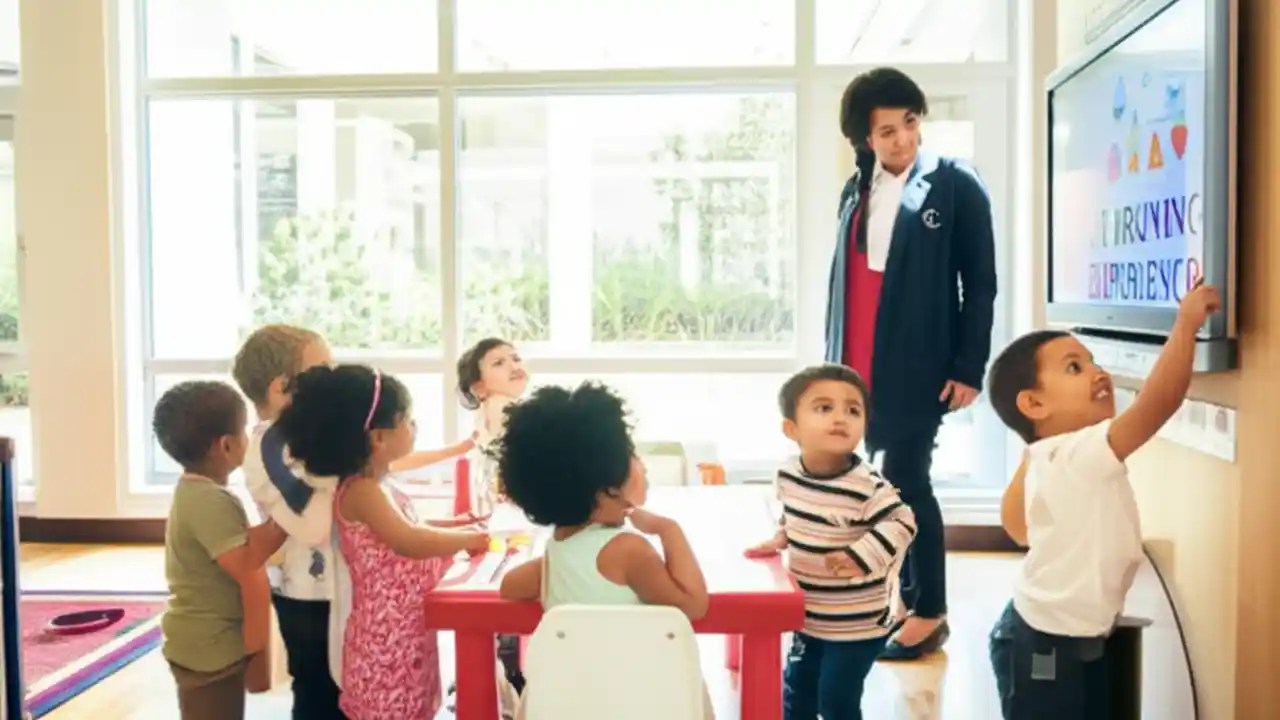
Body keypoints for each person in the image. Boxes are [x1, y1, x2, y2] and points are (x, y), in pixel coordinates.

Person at [824, 67, 998, 659]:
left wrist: (969, 366)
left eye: (910, 123)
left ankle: (931, 612)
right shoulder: (856, 192)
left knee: (907, 481)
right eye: (887, 130)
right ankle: (904, 599)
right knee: (876, 487)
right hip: (856, 363)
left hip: (919, 363)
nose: (902, 139)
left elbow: (980, 285)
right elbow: (848, 283)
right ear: (865, 138)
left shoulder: (955, 185)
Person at [985, 282, 1220, 719]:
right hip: (1046, 642)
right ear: (1034, 403)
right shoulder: (1078, 452)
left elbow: (1017, 527)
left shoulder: (1048, 454)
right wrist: (1185, 325)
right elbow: (1157, 405)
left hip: (1041, 631)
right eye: (1075, 367)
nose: (1099, 374)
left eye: (1092, 361)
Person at [276, 364, 489, 720]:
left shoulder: (379, 486)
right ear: (378, 438)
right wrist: (467, 539)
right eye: (407, 420)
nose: (415, 427)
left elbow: (407, 527)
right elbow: (409, 539)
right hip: (386, 643)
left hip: (405, 632)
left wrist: (459, 524)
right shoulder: (363, 491)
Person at [495, 383, 713, 717]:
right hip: (646, 704)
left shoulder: (557, 553)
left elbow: (509, 586)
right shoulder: (628, 551)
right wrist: (669, 531)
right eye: (631, 455)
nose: (641, 463)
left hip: (572, 707)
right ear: (606, 488)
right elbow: (694, 605)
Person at [745, 365, 917, 720]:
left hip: (859, 622)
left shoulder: (867, 485)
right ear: (791, 429)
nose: (840, 418)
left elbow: (903, 522)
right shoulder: (788, 474)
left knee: (836, 701)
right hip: (809, 615)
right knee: (798, 691)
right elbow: (794, 514)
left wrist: (861, 555)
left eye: (853, 410)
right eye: (824, 408)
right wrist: (780, 538)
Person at [157, 380, 287, 720]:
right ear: (226, 446)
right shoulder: (211, 501)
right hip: (209, 645)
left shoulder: (195, 492)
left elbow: (243, 547)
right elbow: (248, 563)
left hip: (200, 640)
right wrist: (255, 645)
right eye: (244, 432)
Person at [233, 324, 344, 718]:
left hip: (331, 587)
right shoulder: (271, 445)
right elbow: (313, 526)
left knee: (341, 688)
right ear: (282, 387)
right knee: (318, 690)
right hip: (307, 595)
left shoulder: (299, 436)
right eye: (324, 371)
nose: (334, 381)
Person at [457, 337, 530, 509]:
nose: (514, 366)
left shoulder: (495, 405)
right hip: (506, 494)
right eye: (499, 363)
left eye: (516, 358)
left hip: (495, 491)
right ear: (480, 387)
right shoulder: (499, 405)